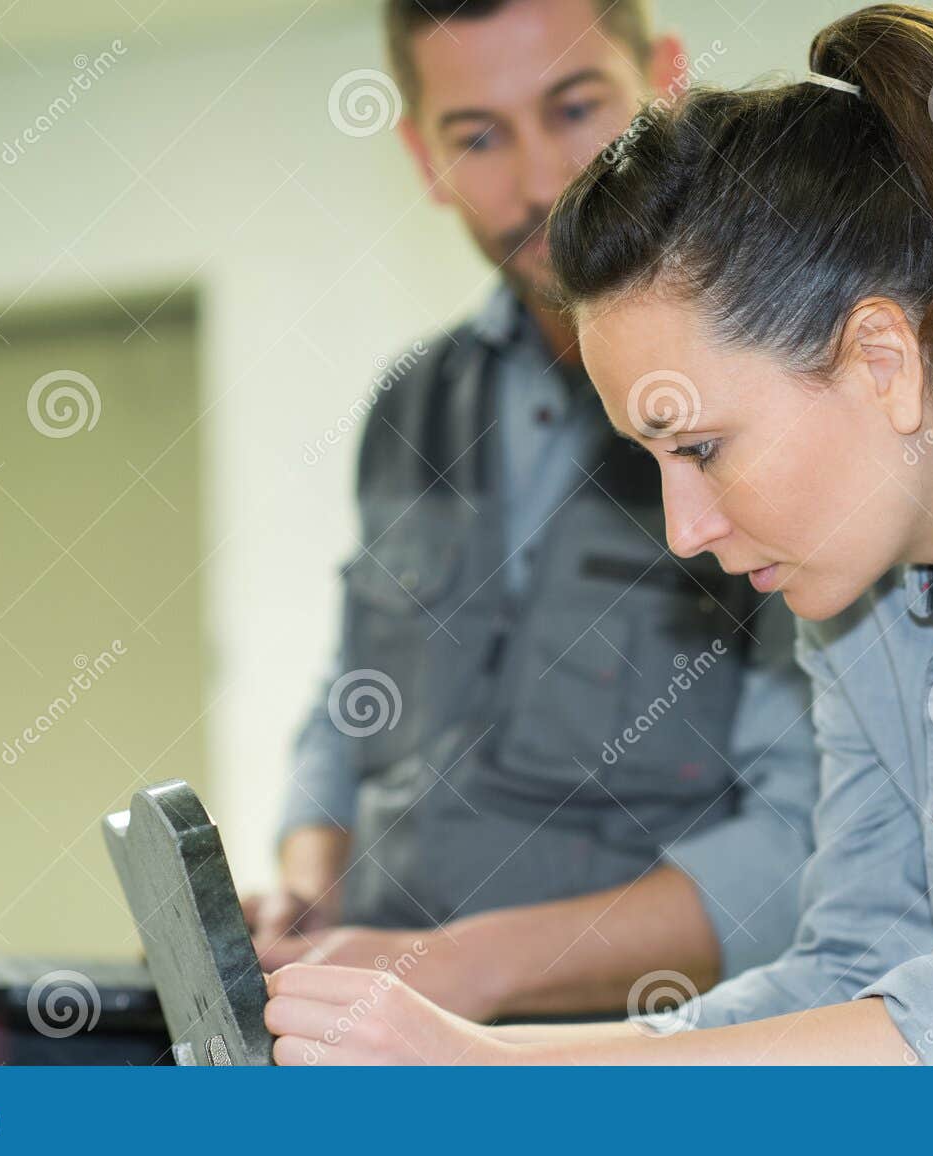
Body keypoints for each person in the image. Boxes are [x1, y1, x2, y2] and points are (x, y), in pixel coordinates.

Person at [261, 3, 933, 1064]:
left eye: (704, 448)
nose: (684, 531)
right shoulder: (860, 590)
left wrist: (512, 1078)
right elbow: (852, 970)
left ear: (880, 362)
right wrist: (462, 1052)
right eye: (653, 463)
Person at [241, 0, 820, 1024]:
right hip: (372, 1045)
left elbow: (806, 843)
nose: (545, 183)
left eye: (574, 107)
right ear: (422, 156)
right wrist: (309, 875)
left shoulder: (788, 391)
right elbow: (353, 692)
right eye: (477, 136)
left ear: (667, 85)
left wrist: (457, 968)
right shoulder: (409, 405)